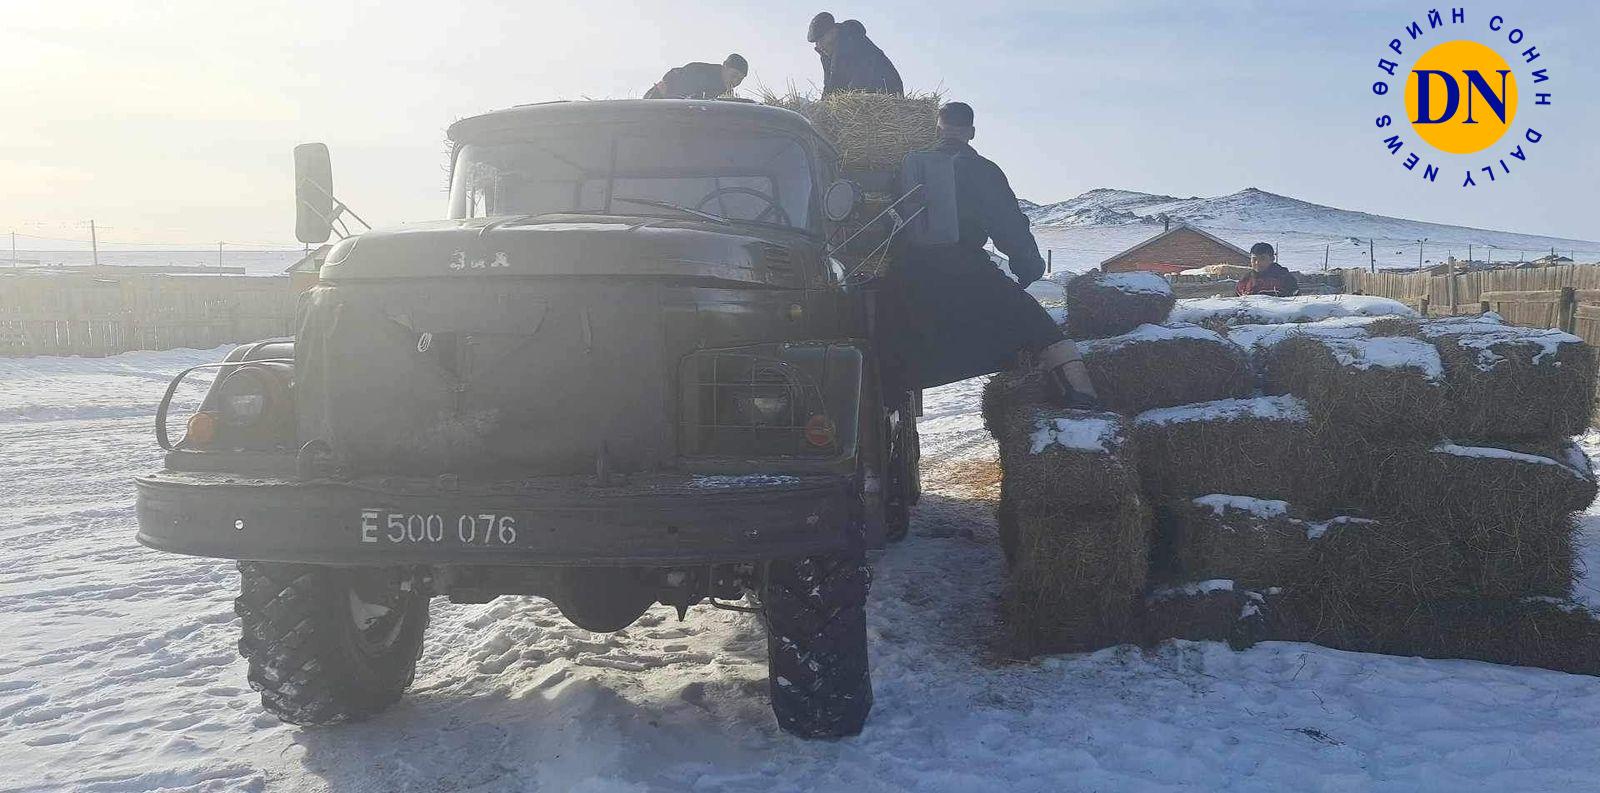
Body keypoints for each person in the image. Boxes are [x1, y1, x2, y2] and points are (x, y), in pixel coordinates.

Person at [884, 102, 1098, 407]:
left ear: (936, 130)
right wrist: (1028, 268)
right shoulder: (981, 169)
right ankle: (1083, 403)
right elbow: (1009, 225)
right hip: (963, 268)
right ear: (971, 133)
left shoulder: (907, 167)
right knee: (1041, 328)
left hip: (904, 274)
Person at [807, 12, 903, 96]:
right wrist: (822, 108)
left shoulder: (854, 41)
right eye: (816, 42)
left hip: (885, 92)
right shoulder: (827, 55)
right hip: (858, 98)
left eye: (822, 39)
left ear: (833, 31)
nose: (819, 46)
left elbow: (863, 75)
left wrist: (848, 100)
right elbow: (830, 86)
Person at [644, 54, 748, 100]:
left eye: (740, 80)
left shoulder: (722, 85)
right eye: (733, 75)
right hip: (656, 99)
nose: (735, 82)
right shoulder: (702, 74)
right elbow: (672, 76)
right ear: (724, 66)